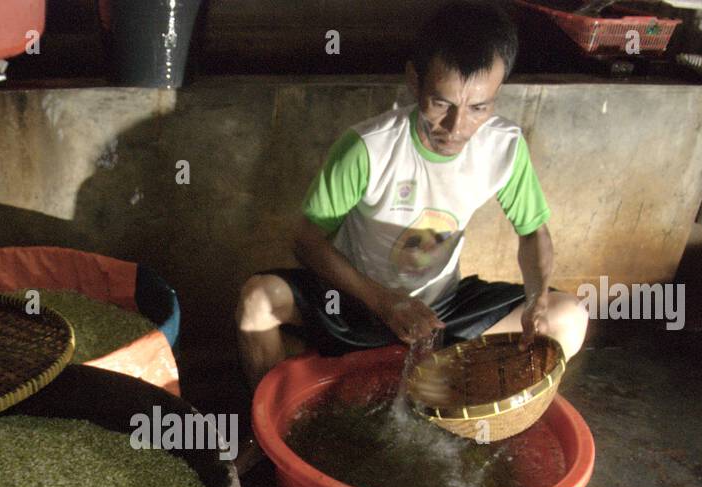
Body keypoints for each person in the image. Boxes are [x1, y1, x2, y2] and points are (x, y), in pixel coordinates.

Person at [235, 0, 589, 389]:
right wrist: (385, 303)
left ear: (497, 93)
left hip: (442, 310)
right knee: (257, 301)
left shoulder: (504, 146)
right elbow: (306, 241)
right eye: (442, 103)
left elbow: (533, 232)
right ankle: (272, 428)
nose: (457, 127)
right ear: (414, 81)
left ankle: (476, 417)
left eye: (479, 107)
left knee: (567, 316)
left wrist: (536, 297)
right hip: (356, 303)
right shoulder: (368, 148)